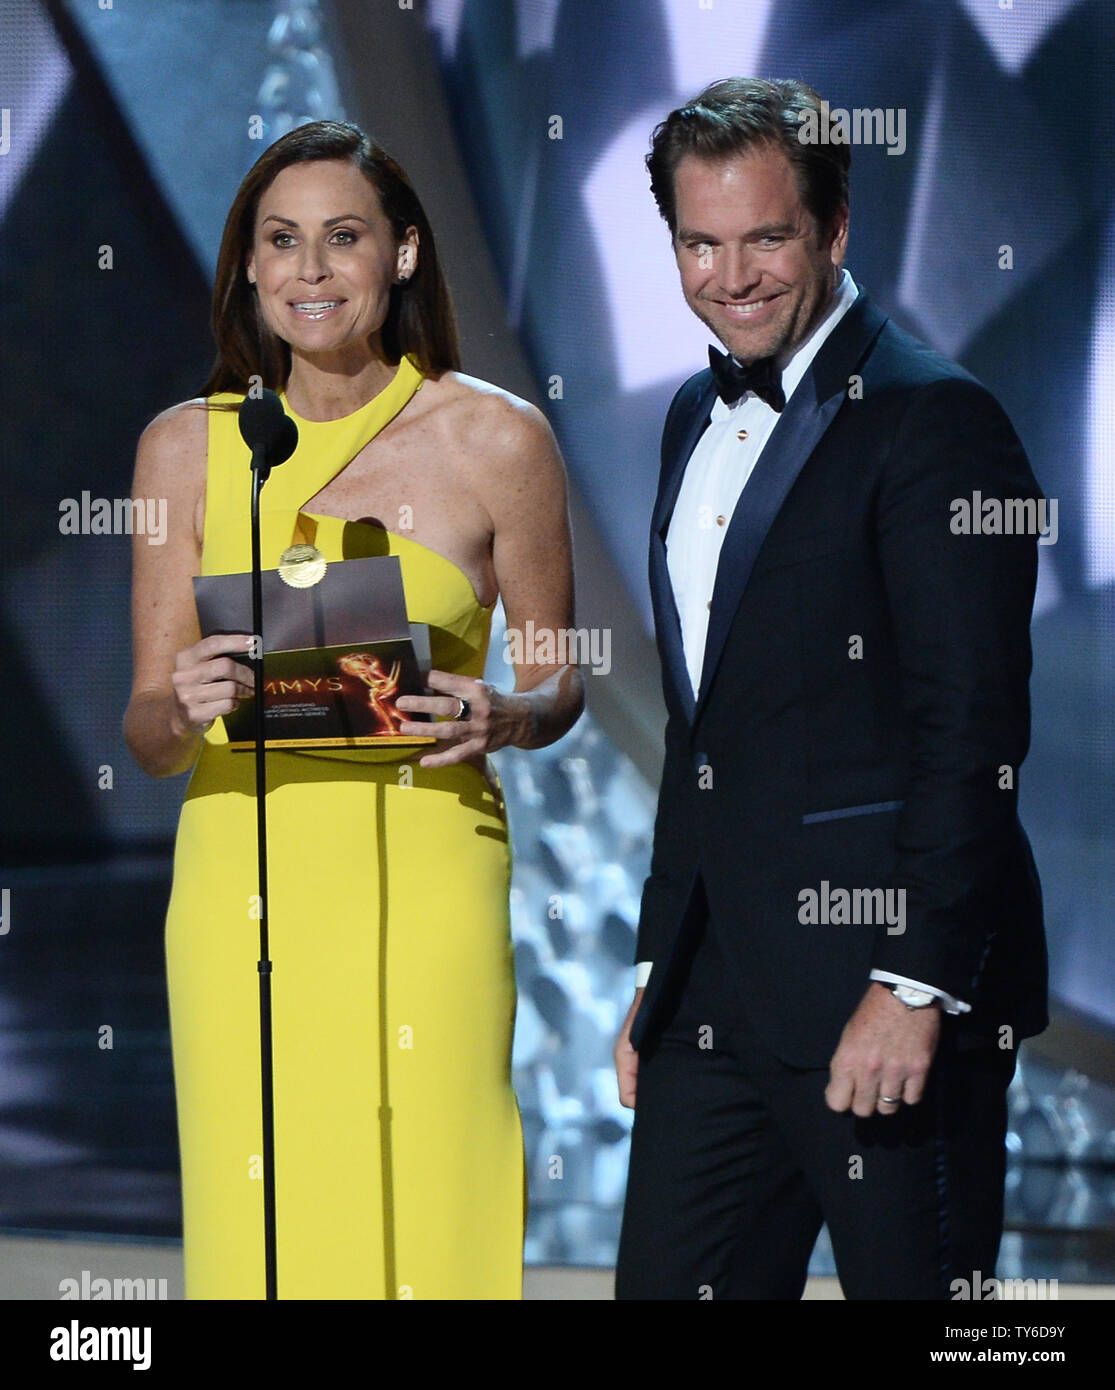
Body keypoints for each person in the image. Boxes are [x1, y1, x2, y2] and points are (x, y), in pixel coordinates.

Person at [124, 119, 584, 1299]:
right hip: (243, 877)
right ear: (249, 268)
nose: (310, 271)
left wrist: (510, 714)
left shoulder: (496, 438)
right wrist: (182, 705)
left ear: (404, 255)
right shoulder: (183, 450)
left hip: (427, 856)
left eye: (342, 238)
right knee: (263, 1208)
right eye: (280, 242)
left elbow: (559, 671)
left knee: (427, 1184)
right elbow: (147, 732)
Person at [613, 78, 1047, 1300]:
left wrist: (912, 983)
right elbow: (705, 726)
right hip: (713, 998)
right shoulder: (692, 414)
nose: (730, 274)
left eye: (765, 237)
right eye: (700, 242)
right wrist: (659, 964)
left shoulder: (934, 421)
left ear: (834, 229)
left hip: (884, 1000)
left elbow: (971, 730)